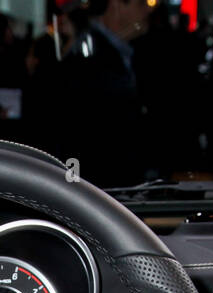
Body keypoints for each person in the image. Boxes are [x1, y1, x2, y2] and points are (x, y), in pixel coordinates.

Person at [57, 0, 150, 187]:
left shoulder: (116, 50)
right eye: (140, 3)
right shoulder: (88, 54)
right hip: (100, 185)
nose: (147, 10)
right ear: (116, 6)